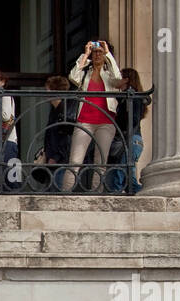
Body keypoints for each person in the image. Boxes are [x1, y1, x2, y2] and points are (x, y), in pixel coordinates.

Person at [62, 40, 121, 191]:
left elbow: (118, 80)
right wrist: (85, 54)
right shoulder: (85, 73)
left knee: (100, 161)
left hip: (105, 122)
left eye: (100, 52)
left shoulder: (109, 75)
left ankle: (97, 193)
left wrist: (109, 53)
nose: (97, 55)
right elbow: (73, 76)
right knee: (75, 160)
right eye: (95, 52)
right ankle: (65, 193)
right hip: (84, 121)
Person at [105, 66, 148, 194]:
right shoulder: (125, 98)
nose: (116, 80)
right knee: (131, 181)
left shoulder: (132, 97)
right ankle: (142, 195)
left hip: (131, 140)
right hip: (133, 140)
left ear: (126, 80)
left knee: (119, 173)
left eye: (120, 77)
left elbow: (132, 119)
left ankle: (115, 196)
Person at [42, 76, 76, 190]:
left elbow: (65, 138)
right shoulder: (55, 110)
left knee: (58, 190)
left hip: (59, 162)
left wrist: (55, 157)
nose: (45, 93)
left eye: (47, 90)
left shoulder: (65, 111)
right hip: (53, 159)